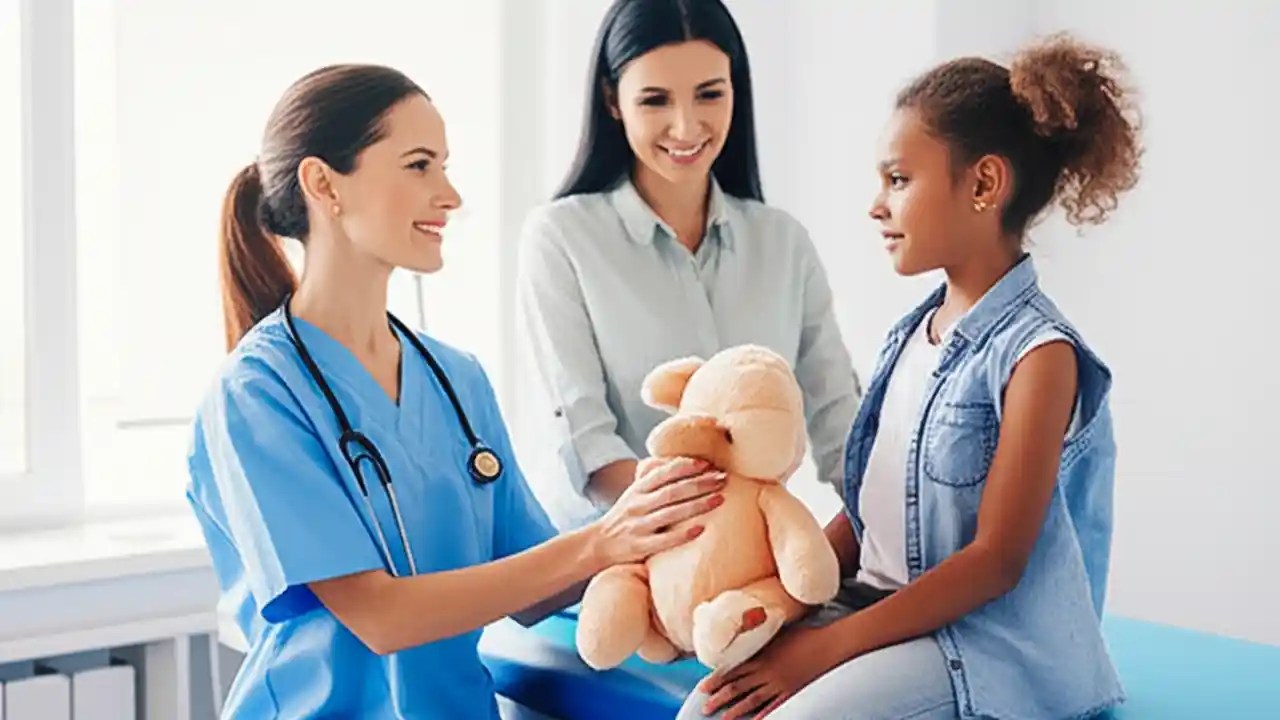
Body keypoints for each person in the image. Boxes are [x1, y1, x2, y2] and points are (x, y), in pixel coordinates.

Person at [185, 63, 726, 719]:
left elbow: (532, 586)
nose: (449, 195)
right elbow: (380, 617)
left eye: (444, 165)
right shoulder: (257, 394)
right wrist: (603, 539)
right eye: (419, 166)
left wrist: (666, 519)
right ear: (324, 184)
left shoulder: (455, 378)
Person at [680, 32, 1143, 720]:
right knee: (707, 712)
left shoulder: (1040, 357)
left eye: (898, 180)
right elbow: (872, 518)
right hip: (878, 608)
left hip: (977, 643)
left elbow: (995, 562)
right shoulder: (911, 337)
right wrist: (782, 596)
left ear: (983, 184)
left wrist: (827, 647)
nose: (876, 204)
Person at [513, 0, 860, 531]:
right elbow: (587, 445)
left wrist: (877, 536)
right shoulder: (561, 237)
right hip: (607, 568)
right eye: (655, 100)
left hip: (746, 567)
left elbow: (841, 424)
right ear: (613, 101)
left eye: (710, 94)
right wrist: (714, 525)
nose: (686, 125)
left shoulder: (783, 242)